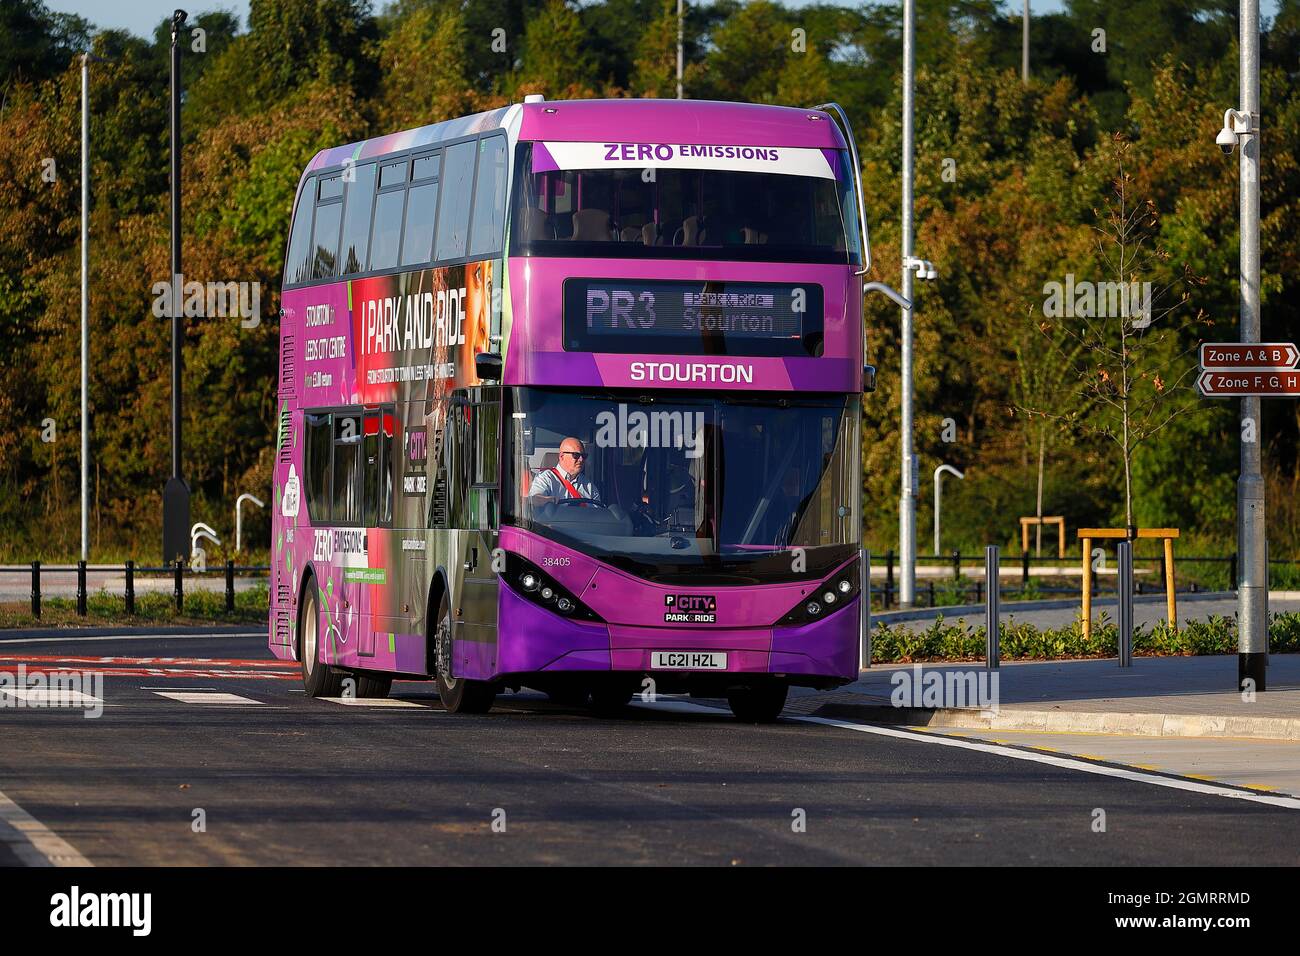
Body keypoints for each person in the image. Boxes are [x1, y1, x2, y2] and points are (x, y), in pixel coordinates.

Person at [529, 437, 602, 504]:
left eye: (584, 456)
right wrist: (548, 500)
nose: (581, 459)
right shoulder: (545, 478)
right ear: (561, 456)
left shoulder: (590, 487)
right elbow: (535, 499)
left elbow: (598, 514)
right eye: (576, 455)